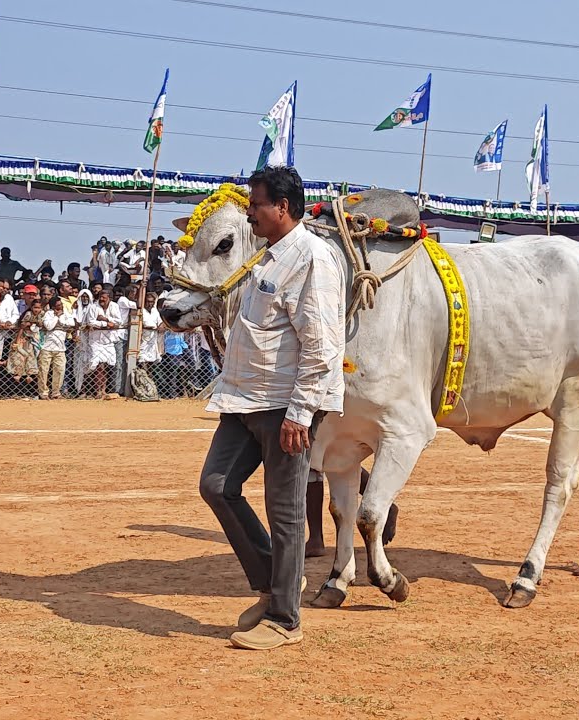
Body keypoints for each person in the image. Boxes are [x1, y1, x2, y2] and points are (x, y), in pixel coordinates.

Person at [197, 166, 345, 651]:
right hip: (243, 399)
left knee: (286, 515)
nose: (250, 213)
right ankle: (274, 583)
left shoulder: (312, 259)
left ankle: (284, 618)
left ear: (282, 207)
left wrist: (301, 413)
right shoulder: (267, 257)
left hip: (285, 405)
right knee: (216, 485)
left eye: (256, 204)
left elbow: (322, 345)